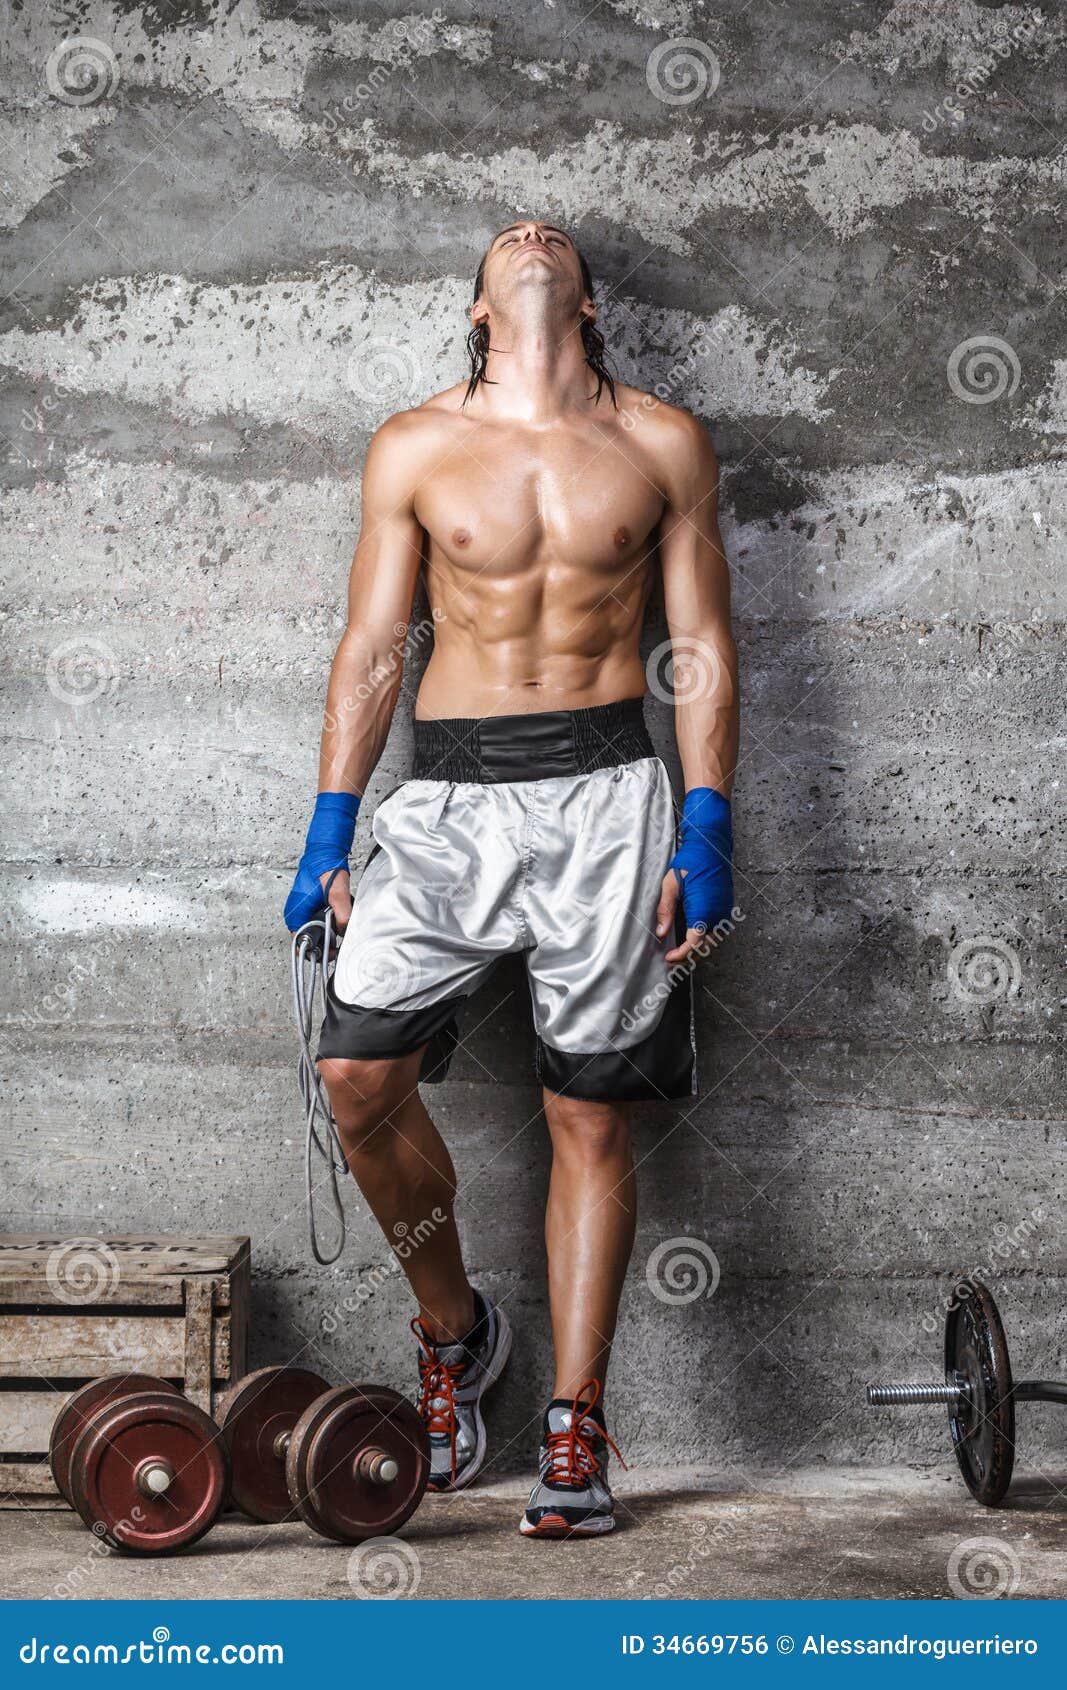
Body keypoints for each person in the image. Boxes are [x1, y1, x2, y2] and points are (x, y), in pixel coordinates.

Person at [284, 219, 739, 1538]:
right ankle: (457, 1330)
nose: (532, 235)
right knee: (357, 1076)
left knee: (588, 1115)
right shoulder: (415, 445)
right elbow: (375, 642)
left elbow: (702, 640)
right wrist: (331, 827)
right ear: (479, 310)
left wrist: (704, 822)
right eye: (507, 243)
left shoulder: (664, 443)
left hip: (609, 789)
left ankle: (576, 1428)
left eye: (556, 245)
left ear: (587, 300)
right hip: (448, 795)